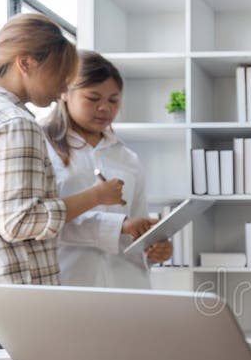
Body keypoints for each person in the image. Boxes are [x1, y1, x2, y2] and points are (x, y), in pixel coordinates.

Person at [0, 13, 126, 360]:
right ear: (26, 63)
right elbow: (21, 221)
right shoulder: (15, 123)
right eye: (62, 76)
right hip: (10, 305)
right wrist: (95, 197)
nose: (64, 88)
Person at [43, 50, 172, 288]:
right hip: (69, 285)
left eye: (113, 100)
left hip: (127, 285)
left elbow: (139, 226)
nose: (104, 108)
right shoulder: (42, 147)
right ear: (64, 92)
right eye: (93, 98)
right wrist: (118, 225)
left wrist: (154, 249)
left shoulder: (128, 158)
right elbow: (40, 222)